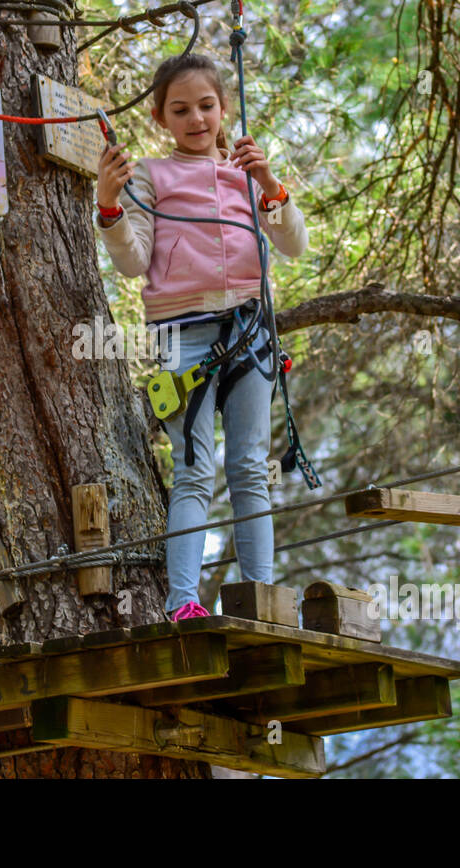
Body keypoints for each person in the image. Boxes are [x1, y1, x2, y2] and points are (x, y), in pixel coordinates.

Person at [91, 52, 309, 621]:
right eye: (181, 109)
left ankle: (262, 598)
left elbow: (293, 246)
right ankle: (183, 601)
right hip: (178, 335)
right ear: (161, 118)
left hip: (250, 331)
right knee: (193, 469)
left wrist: (268, 183)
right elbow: (134, 262)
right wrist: (110, 207)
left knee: (250, 469)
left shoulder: (245, 173)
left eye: (207, 106)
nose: (197, 119)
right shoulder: (151, 177)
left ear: (224, 109)